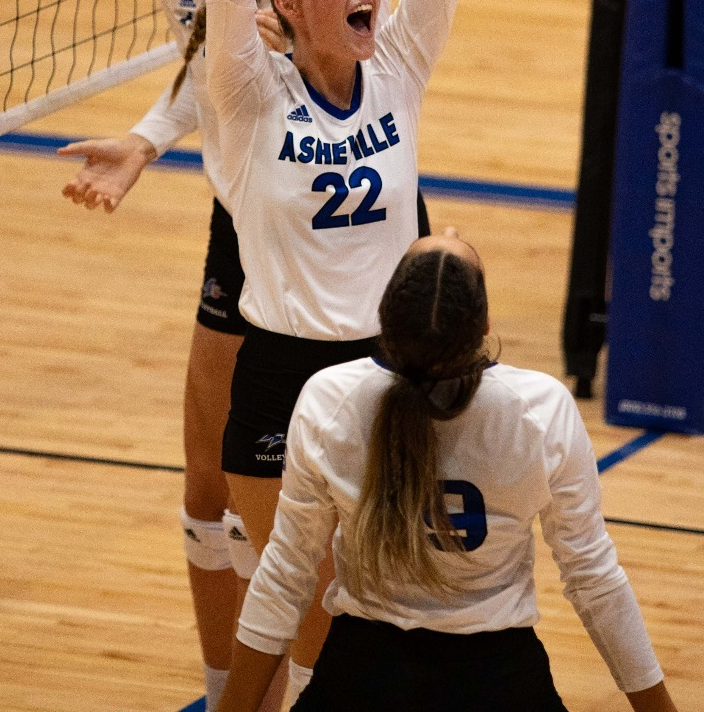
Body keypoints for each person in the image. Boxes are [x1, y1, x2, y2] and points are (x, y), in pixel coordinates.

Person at [206, 0, 557, 702]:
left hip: (390, 372)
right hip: (277, 372)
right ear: (283, 10)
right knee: (295, 603)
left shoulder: (395, 72)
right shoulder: (248, 93)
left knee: (370, 618)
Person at [56, 0, 414, 709]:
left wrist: (291, 45)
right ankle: (228, 688)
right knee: (207, 473)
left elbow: (370, 80)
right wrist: (143, 138)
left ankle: (325, 674)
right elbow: (202, 75)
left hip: (343, 213)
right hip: (243, 218)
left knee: (359, 503)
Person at [217, 234, 679, 712]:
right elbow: (593, 577)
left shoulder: (330, 398)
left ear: (384, 318)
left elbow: (286, 573)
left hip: (363, 677)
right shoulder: (539, 410)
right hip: (498, 681)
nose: (452, 233)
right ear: (484, 324)